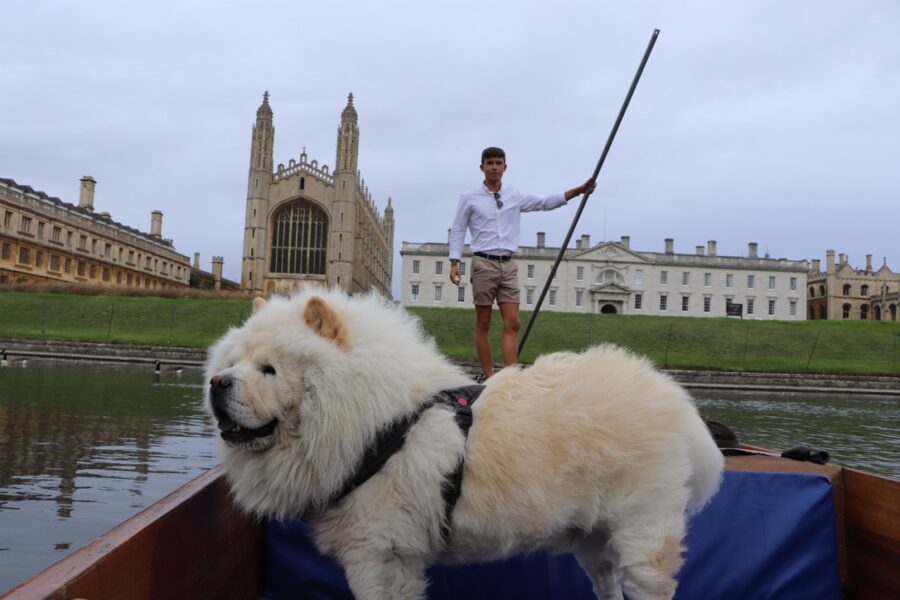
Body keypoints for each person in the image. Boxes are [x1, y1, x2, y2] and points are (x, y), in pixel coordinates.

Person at [448, 146, 595, 379]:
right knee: (483, 323)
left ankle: (510, 378)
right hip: (483, 263)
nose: (494, 167)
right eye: (490, 163)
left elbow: (545, 202)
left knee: (513, 322)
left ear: (505, 168)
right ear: (482, 167)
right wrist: (454, 261)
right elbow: (458, 229)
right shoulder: (469, 198)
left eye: (498, 163)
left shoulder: (514, 196)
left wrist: (578, 191)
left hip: (507, 265)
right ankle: (488, 378)